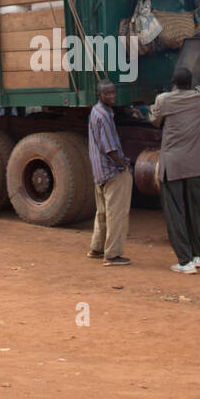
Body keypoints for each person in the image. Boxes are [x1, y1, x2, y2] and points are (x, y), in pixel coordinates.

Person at [149, 36, 200, 273]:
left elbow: (154, 120)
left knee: (175, 214)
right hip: (197, 165)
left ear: (173, 84)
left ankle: (184, 262)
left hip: (173, 166)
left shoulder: (164, 100)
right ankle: (197, 256)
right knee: (193, 212)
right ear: (191, 82)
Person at [87, 79, 132, 266]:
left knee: (103, 212)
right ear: (99, 95)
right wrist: (123, 166)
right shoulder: (104, 116)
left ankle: (96, 248)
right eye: (107, 94)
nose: (112, 96)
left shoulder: (96, 111)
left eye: (113, 93)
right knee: (117, 213)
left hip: (100, 172)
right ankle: (112, 255)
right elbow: (110, 148)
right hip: (112, 171)